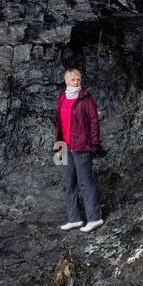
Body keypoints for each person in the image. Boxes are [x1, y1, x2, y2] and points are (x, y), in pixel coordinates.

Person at [53, 68, 104, 232]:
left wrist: (95, 143)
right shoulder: (62, 98)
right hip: (63, 146)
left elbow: (94, 122)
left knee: (86, 182)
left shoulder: (86, 99)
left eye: (78, 79)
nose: (77, 82)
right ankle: (74, 219)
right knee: (68, 182)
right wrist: (57, 146)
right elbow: (58, 123)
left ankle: (94, 218)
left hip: (81, 146)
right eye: (73, 79)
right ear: (66, 81)